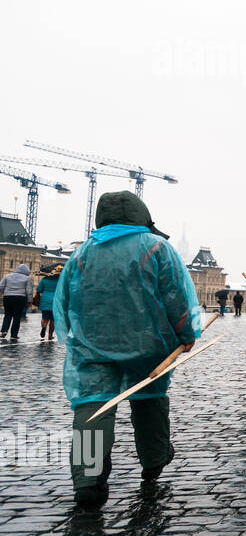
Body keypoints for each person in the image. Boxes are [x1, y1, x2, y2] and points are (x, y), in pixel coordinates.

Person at [53, 191, 202, 508]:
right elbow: (176, 296)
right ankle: (154, 460)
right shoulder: (156, 247)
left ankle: (87, 480)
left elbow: (64, 302)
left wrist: (74, 337)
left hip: (92, 347)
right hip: (147, 345)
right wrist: (187, 333)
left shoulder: (82, 254)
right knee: (149, 402)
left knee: (92, 408)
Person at [1, 263, 34, 339]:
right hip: (20, 298)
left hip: (7, 297)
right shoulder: (27, 278)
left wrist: (5, 292)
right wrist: (29, 301)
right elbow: (29, 291)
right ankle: (13, 335)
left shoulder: (8, 276)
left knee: (7, 315)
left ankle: (4, 331)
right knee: (17, 316)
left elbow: (1, 286)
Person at [36, 265, 62, 341]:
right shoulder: (60, 281)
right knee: (53, 319)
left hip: (45, 299)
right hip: (56, 301)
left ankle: (44, 327)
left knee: (45, 317)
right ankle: (50, 335)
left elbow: (39, 289)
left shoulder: (44, 279)